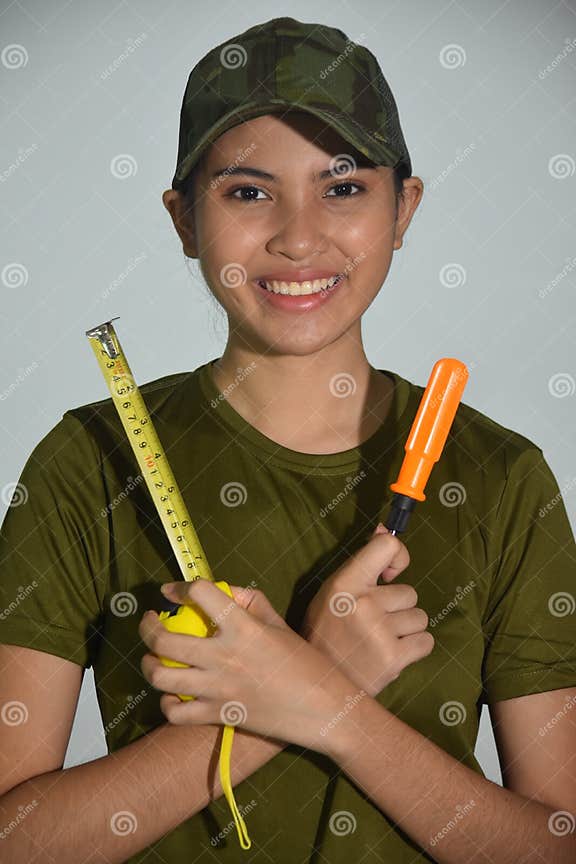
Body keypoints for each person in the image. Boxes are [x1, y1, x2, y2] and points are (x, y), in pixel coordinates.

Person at [1, 15, 575, 864]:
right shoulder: (90, 461)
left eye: (342, 187)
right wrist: (311, 680)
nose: (299, 236)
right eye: (247, 190)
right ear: (184, 220)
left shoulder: (502, 477)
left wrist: (311, 695)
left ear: (403, 209)